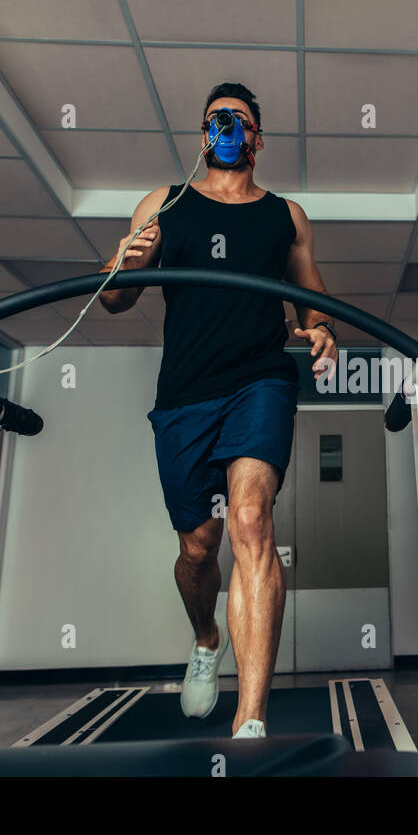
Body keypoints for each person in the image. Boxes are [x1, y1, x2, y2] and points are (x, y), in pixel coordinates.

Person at [98, 82, 338, 739]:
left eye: (238, 120)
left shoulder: (285, 216)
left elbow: (309, 291)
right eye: (214, 120)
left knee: (251, 520)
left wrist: (319, 326)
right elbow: (114, 301)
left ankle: (250, 722)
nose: (226, 127)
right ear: (201, 136)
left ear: (258, 138)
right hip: (185, 396)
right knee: (199, 548)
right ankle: (207, 637)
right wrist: (123, 265)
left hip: (260, 380)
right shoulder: (165, 203)